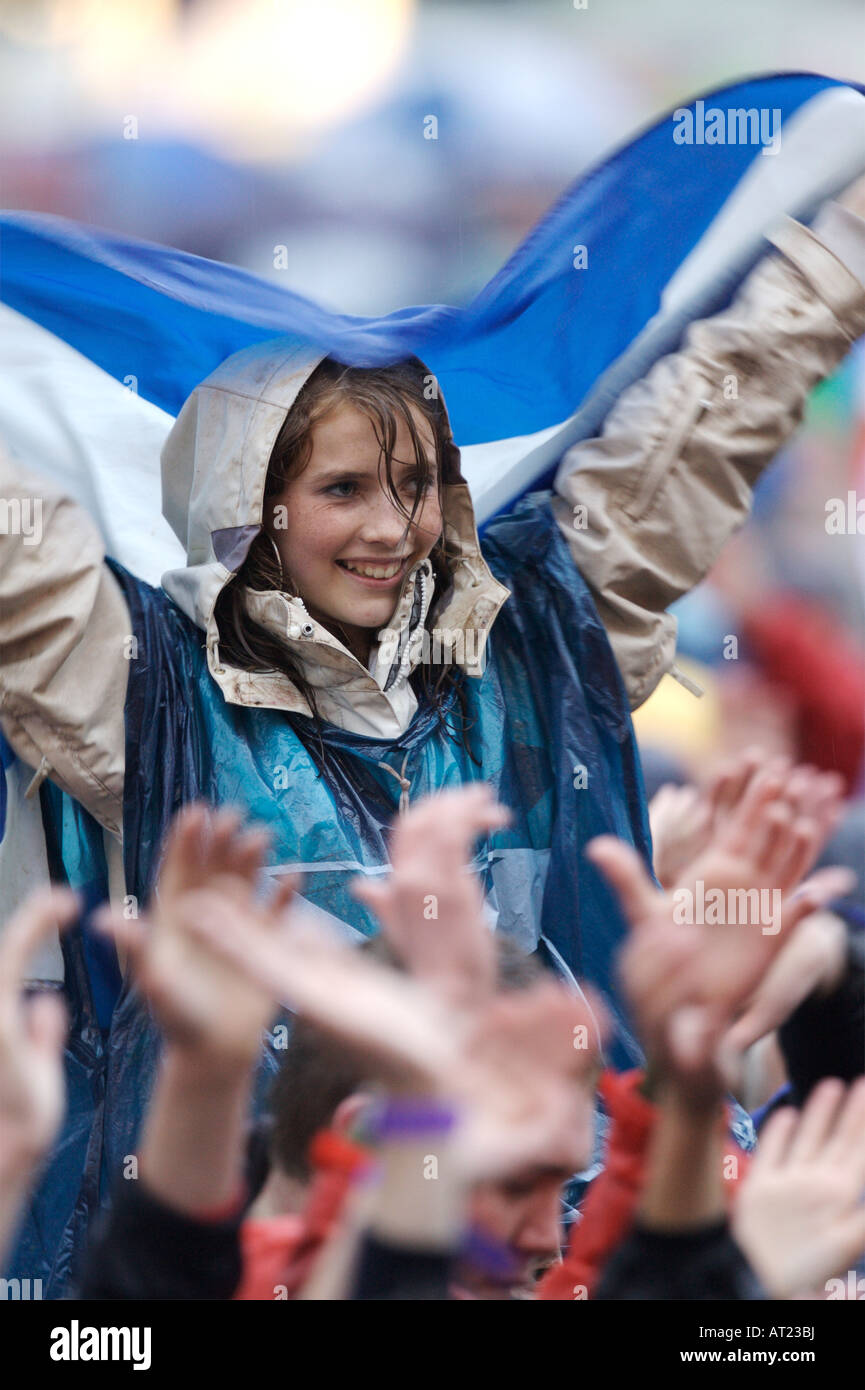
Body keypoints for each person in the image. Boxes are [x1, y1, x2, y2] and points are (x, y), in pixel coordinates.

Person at [2, 180, 865, 1289]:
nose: (390, 527)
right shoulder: (142, 688)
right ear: (245, 499)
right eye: (344, 487)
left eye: (416, 484)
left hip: (556, 1248)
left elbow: (702, 423)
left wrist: (841, 249)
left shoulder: (535, 641)